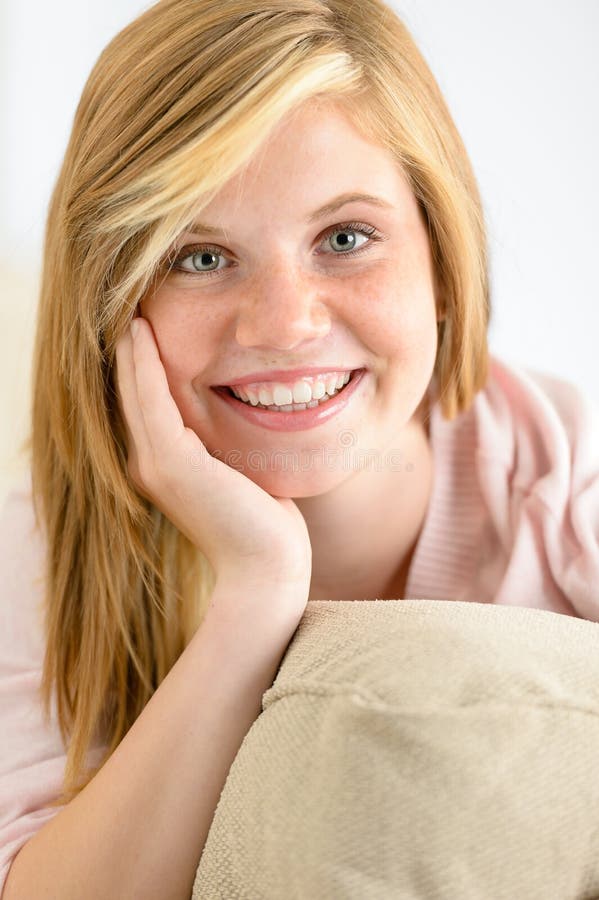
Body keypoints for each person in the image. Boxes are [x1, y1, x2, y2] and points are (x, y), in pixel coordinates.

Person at [1, 0, 598, 896]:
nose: (283, 325)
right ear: (110, 305)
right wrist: (256, 591)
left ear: (441, 262)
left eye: (345, 239)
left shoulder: (566, 478)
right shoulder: (43, 549)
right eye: (199, 257)